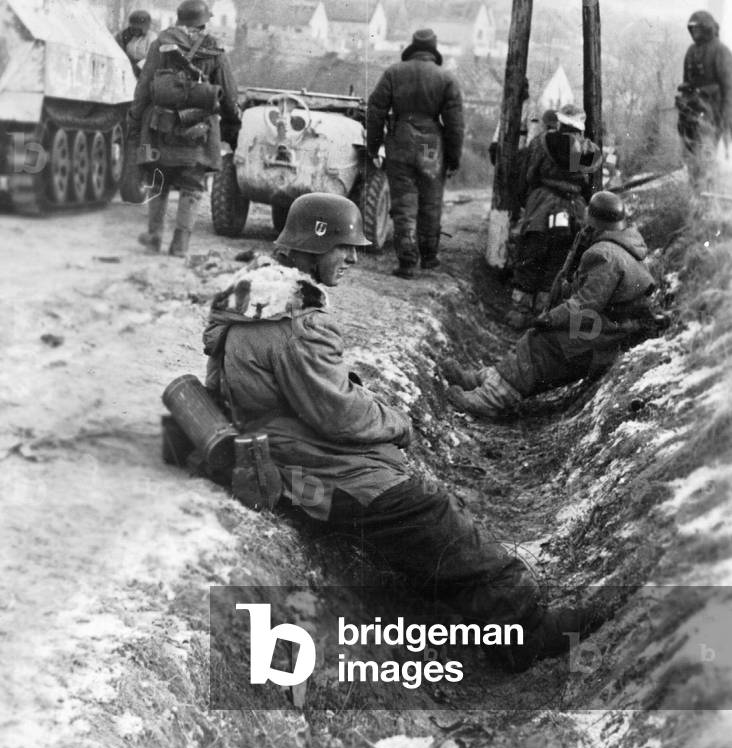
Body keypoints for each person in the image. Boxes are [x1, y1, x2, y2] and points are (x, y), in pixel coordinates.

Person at [197, 192, 595, 670]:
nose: (353, 258)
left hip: (290, 456)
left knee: (427, 519)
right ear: (311, 244)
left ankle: (469, 615)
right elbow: (340, 415)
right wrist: (397, 422)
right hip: (320, 471)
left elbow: (230, 390)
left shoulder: (250, 302)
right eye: (343, 247)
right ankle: (526, 632)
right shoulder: (299, 324)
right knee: (434, 513)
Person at [445, 191, 661, 421]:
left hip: (610, 332)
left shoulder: (605, 255)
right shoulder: (623, 244)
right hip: (614, 326)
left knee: (543, 344)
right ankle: (491, 378)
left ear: (594, 221)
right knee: (539, 338)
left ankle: (492, 398)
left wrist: (551, 318)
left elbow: (585, 302)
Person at [127, 0, 241, 257]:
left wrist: (134, 123)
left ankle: (153, 239)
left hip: (160, 129)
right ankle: (180, 246)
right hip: (199, 133)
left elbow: (143, 88)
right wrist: (233, 128)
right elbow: (230, 96)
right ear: (203, 22)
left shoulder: (160, 44)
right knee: (192, 186)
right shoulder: (215, 49)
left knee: (159, 183)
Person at [366, 29, 463, 278]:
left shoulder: (393, 73)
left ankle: (407, 261)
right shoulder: (446, 78)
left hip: (401, 141)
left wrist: (373, 145)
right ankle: (429, 257)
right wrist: (453, 159)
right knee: (431, 201)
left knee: (404, 203)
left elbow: (376, 109)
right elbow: (455, 124)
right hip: (430, 144)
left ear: (412, 48)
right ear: (433, 50)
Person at [507, 103, 601, 329]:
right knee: (558, 265)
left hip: (541, 207)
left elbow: (529, 174)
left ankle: (519, 313)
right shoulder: (590, 150)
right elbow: (590, 187)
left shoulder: (541, 142)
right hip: (573, 213)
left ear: (560, 121)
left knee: (529, 259)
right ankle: (544, 313)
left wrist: (523, 201)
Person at [676, 10, 732, 186]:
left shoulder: (721, 51)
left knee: (707, 154)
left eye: (698, 28)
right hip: (690, 112)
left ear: (707, 28)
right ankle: (695, 190)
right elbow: (686, 81)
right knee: (691, 154)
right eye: (692, 29)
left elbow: (729, 87)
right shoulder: (691, 51)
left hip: (712, 113)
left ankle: (708, 192)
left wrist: (725, 117)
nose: (695, 32)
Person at [116, 9, 156, 79]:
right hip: (126, 67)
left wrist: (138, 67)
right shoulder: (123, 35)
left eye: (139, 29)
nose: (135, 31)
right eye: (133, 28)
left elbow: (152, 58)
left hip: (143, 70)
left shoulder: (151, 37)